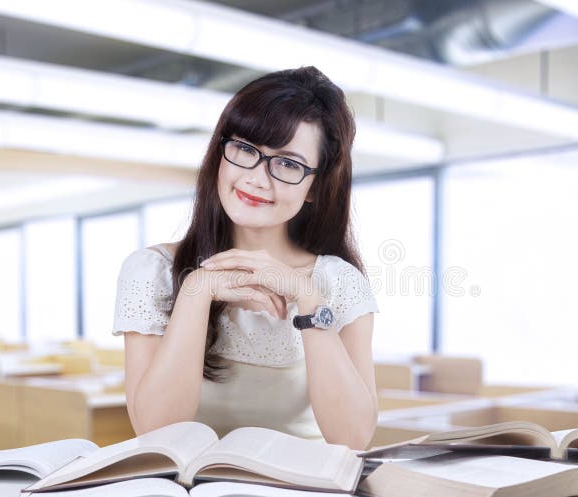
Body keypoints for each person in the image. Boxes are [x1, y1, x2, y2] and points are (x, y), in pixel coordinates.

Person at [112, 66, 379, 450]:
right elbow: (155, 432)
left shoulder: (339, 281)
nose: (256, 177)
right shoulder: (150, 271)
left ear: (315, 188)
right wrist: (196, 291)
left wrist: (306, 296)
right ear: (221, 153)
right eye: (246, 149)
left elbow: (353, 438)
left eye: (287, 163)